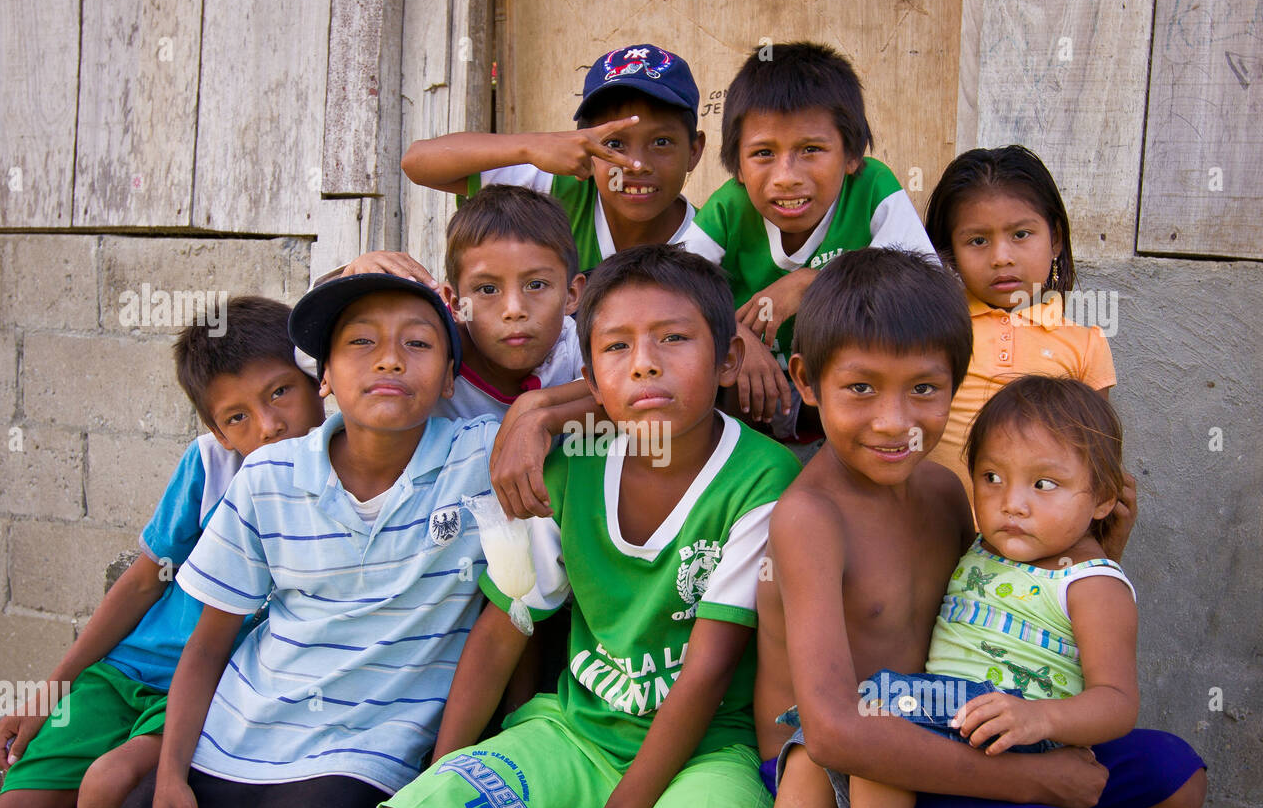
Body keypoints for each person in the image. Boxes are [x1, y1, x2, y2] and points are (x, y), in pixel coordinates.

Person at [756, 249, 1206, 808]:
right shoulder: (811, 519)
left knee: (1172, 775)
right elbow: (833, 732)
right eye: (861, 388)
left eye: (924, 389)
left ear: (956, 382)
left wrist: (1096, 561)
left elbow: (997, 608)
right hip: (847, 780)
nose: (895, 421)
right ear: (806, 381)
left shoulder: (942, 490)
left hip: (956, 726)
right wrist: (1030, 781)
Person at [368, 244, 802, 808]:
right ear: (591, 380)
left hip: (709, 753)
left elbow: (709, 668)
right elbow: (505, 622)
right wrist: (441, 769)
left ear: (729, 359)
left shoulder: (763, 479)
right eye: (617, 347)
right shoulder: (570, 464)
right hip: (576, 732)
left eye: (674, 338)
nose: (646, 363)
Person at [46, 273, 500, 808]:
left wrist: (532, 417)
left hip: (354, 761)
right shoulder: (268, 475)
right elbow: (208, 646)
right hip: (224, 742)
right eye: (361, 343)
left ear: (451, 380)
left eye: (418, 344)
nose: (391, 357)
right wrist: (173, 775)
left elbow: (608, 398)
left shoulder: (482, 457)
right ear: (327, 379)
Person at [0, 297, 324, 808]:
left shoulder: (338, 481)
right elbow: (143, 578)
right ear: (215, 430)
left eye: (280, 393)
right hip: (123, 675)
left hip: (206, 691)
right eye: (236, 418)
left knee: (108, 786)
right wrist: (53, 686)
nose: (267, 426)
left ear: (321, 382)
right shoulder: (212, 466)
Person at [681, 41, 935, 434]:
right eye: (764, 153)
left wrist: (812, 283)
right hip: (752, 394)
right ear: (738, 168)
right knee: (716, 361)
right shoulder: (729, 208)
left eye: (811, 149)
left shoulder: (871, 187)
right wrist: (734, 335)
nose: (786, 176)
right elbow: (668, 291)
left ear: (851, 156)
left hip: (838, 396)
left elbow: (924, 287)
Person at [923, 145, 1118, 502]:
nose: (1001, 258)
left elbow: (1093, 468)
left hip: (1033, 550)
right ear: (948, 251)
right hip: (931, 538)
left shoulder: (1084, 345)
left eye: (1020, 235)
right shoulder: (932, 330)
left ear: (1055, 238)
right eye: (977, 240)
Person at [402, 43, 706, 271]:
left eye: (662, 142)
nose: (637, 165)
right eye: (614, 143)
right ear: (585, 148)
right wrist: (530, 147)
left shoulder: (707, 241)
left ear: (694, 151)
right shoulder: (556, 189)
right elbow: (418, 162)